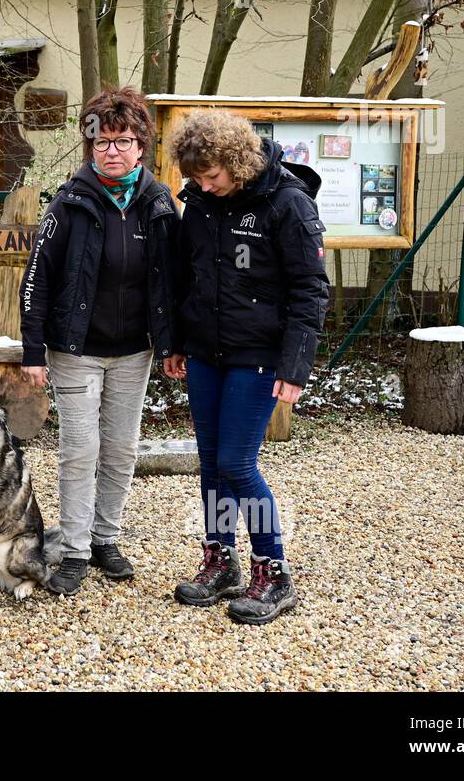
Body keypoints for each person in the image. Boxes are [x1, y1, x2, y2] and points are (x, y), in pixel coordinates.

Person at [162, 109, 329, 625]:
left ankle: (273, 572)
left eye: (211, 177)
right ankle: (219, 559)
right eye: (195, 179)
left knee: (237, 463)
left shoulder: (288, 203)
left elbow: (310, 288)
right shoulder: (200, 204)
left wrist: (295, 365)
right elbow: (185, 277)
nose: (204, 187)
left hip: (258, 356)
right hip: (206, 353)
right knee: (210, 461)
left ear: (236, 162)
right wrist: (176, 342)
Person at [20, 87, 180, 595]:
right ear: (89, 145)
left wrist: (173, 342)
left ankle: (106, 538)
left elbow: (174, 281)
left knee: (120, 450)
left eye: (123, 141)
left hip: (135, 351)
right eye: (102, 141)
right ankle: (73, 548)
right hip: (76, 351)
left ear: (142, 146)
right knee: (79, 449)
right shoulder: (68, 204)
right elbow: (36, 278)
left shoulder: (158, 205)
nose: (112, 150)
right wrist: (32, 349)